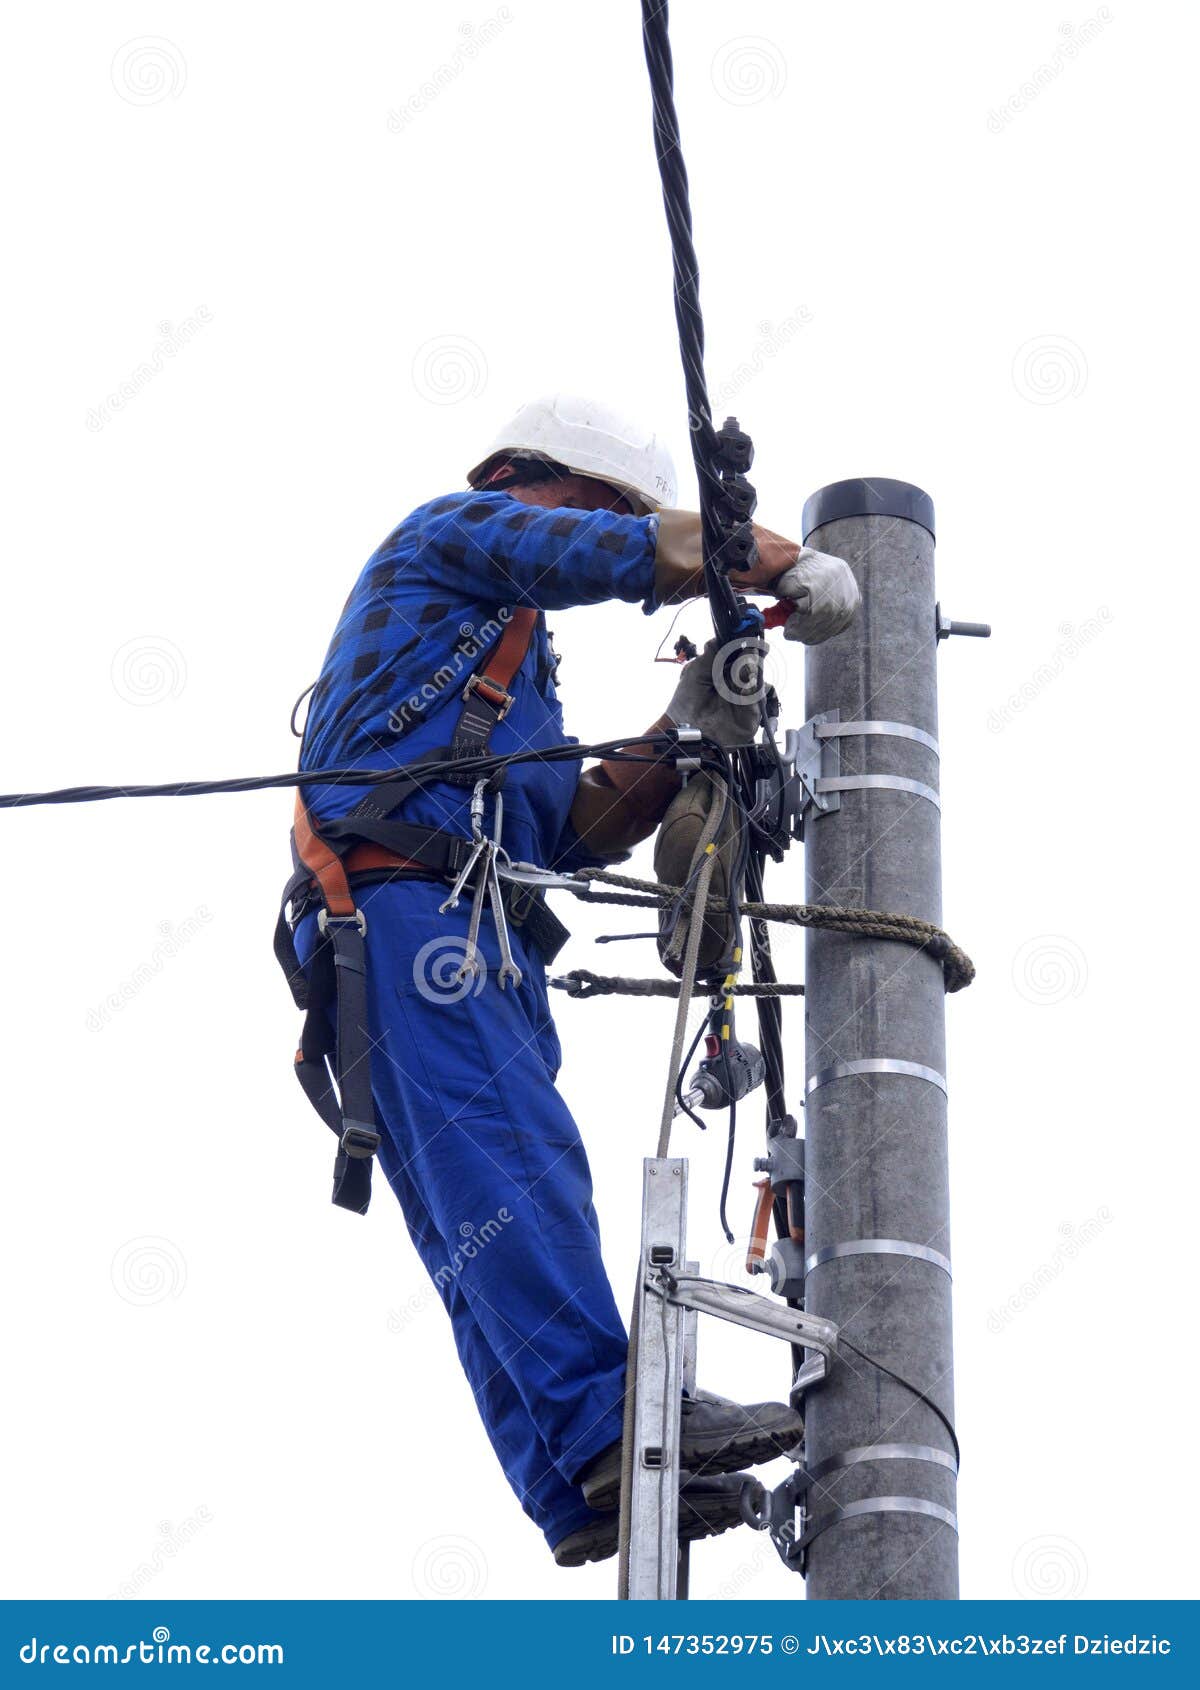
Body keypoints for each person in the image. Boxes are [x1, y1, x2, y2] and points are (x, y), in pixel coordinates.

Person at [291, 394, 859, 1566]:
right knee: (515, 1165)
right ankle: (606, 1421)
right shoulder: (448, 536)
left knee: (477, 1215)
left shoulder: (508, 671)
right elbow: (605, 554)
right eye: (599, 505)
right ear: (528, 478)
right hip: (407, 910)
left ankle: (580, 1482)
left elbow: (570, 829)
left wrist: (681, 727)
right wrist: (774, 561)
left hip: (454, 922)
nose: (603, 527)